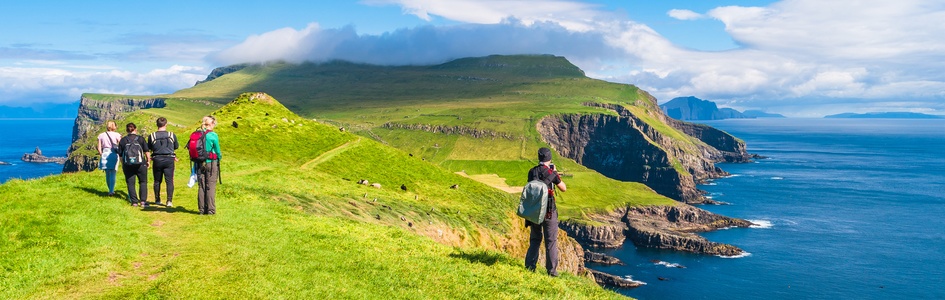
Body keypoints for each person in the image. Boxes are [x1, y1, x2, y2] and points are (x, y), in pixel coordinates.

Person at [524, 147, 567, 277]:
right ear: (550, 158)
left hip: (535, 211)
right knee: (551, 241)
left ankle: (530, 266)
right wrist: (555, 174)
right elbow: (563, 188)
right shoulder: (551, 173)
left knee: (535, 239)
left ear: (539, 157)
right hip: (549, 211)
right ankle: (551, 271)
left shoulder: (532, 171)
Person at [148, 117, 179, 207]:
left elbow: (149, 147)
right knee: (169, 181)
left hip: (157, 159)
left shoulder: (152, 135)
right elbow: (176, 146)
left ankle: (157, 199)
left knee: (157, 180)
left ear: (157, 124)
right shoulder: (171, 135)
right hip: (169, 159)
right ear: (166, 124)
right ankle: (169, 201)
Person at [118, 122, 151, 208]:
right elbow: (146, 151)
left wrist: (123, 164)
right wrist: (148, 161)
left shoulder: (123, 140)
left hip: (128, 165)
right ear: (135, 129)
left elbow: (120, 155)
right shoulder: (141, 139)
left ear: (126, 130)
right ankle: (143, 202)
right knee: (143, 182)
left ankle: (134, 202)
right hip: (141, 164)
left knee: (130, 183)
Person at [196, 116, 222, 215]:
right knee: (210, 185)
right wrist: (219, 157)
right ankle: (211, 210)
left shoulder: (198, 134)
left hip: (200, 162)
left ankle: (202, 209)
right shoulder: (213, 135)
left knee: (202, 186)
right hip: (211, 162)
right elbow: (217, 150)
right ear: (211, 124)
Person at [97, 121, 122, 196]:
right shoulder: (117, 135)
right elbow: (121, 145)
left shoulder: (101, 135)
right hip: (113, 153)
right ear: (114, 126)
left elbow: (99, 148)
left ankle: (110, 189)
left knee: (107, 173)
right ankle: (111, 191)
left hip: (105, 153)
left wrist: (101, 154)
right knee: (113, 172)